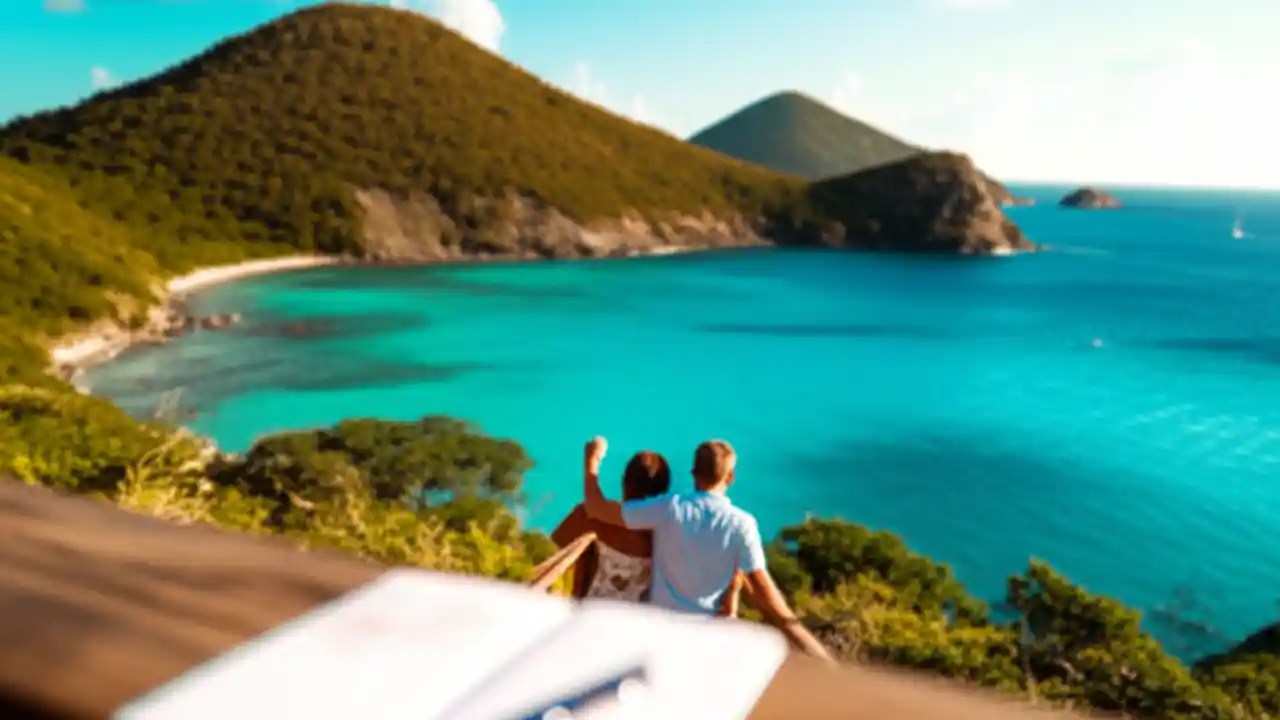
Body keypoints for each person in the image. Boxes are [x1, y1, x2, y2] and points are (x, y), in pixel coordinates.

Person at [581, 436, 833, 661]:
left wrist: (593, 459)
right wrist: (792, 626)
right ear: (730, 477)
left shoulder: (670, 508)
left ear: (693, 473)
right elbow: (763, 591)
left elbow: (596, 507)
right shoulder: (742, 525)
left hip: (659, 631)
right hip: (707, 639)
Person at [550, 447, 671, 602]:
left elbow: (553, 546)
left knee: (587, 549)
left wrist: (591, 463)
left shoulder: (596, 520)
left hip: (589, 614)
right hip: (639, 622)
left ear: (624, 482)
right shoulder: (667, 535)